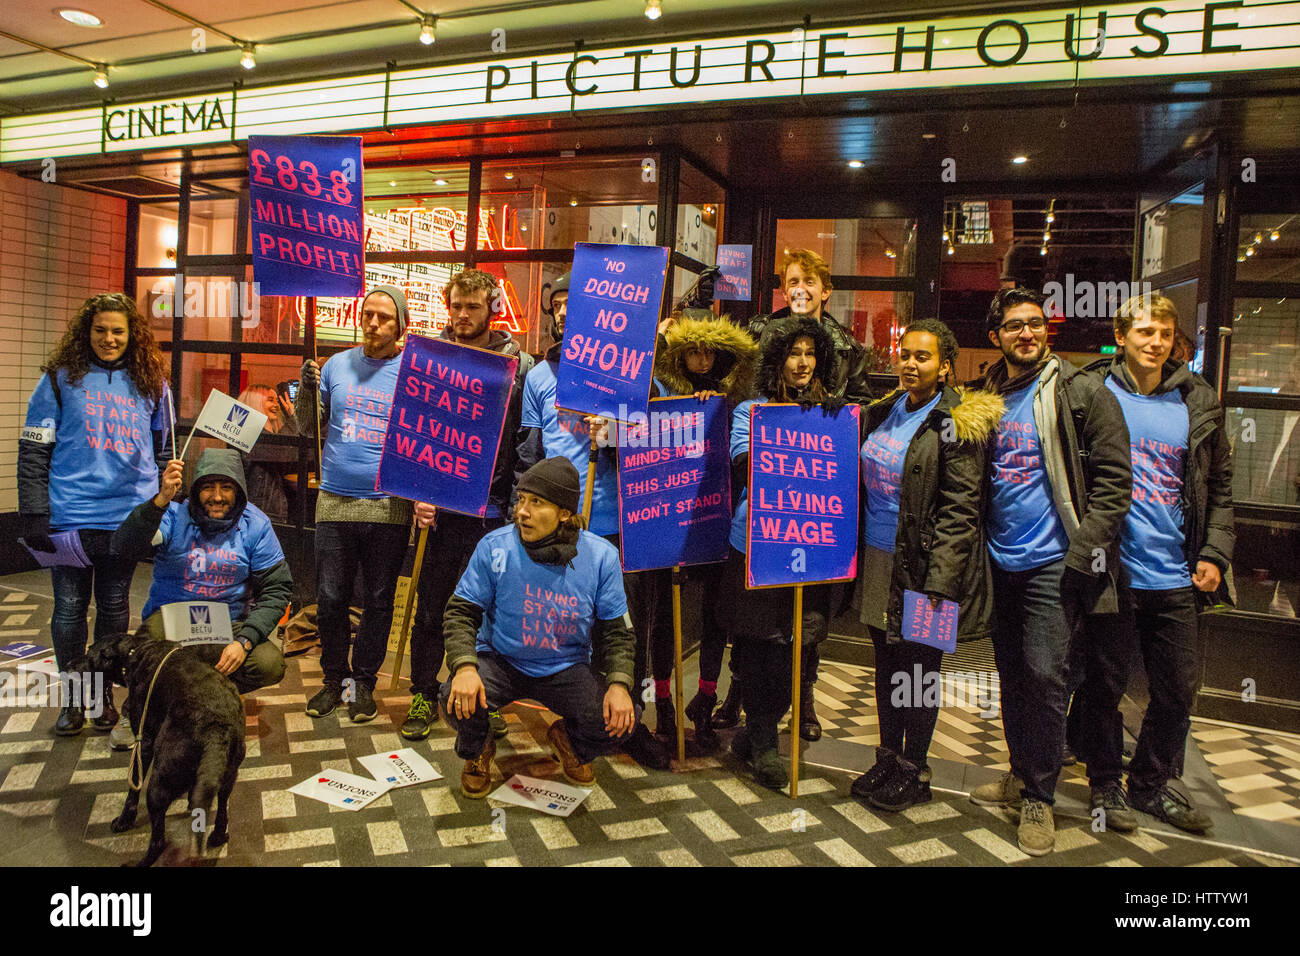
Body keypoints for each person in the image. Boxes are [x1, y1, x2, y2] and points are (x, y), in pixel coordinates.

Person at [966, 287, 1131, 856]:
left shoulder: (1081, 391)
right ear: (997, 337)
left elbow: (1114, 484)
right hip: (997, 562)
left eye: (1035, 324)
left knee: (1044, 676)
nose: (1027, 334)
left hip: (1053, 566)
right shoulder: (983, 395)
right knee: (1013, 676)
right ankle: (1021, 772)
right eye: (1014, 327)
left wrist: (1084, 553)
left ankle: (1040, 796)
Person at [1074, 293, 1233, 833]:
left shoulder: (1197, 401)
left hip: (1176, 573)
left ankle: (1150, 785)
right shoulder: (1092, 391)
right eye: (1145, 332)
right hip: (1113, 570)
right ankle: (1103, 786)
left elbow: (1219, 488)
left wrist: (1215, 552)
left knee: (1178, 687)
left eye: (1164, 334)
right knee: (1104, 684)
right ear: (1123, 336)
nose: (1155, 343)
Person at [516, 273, 669, 770]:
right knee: (568, 628)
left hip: (621, 524)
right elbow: (529, 454)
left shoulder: (636, 376)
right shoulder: (540, 377)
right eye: (558, 305)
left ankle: (631, 718)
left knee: (624, 631)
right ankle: (582, 720)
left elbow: (668, 441)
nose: (565, 312)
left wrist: (623, 433)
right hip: (564, 529)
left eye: (575, 304)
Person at [851, 319, 1003, 811]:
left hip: (927, 572)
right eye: (905, 354)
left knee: (920, 673)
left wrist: (940, 582)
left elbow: (963, 510)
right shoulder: (887, 410)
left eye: (922, 357)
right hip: (878, 560)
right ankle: (888, 758)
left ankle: (915, 771)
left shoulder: (956, 421)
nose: (910, 364)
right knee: (886, 665)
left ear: (944, 367)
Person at [18, 292, 173, 736]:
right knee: (68, 609)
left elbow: (164, 450)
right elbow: (33, 450)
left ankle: (100, 696)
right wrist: (33, 512)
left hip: (129, 519)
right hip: (70, 516)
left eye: (118, 331)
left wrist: (164, 505)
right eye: (100, 330)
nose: (109, 339)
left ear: (132, 336)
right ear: (86, 332)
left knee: (112, 608)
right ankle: (73, 700)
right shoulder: (58, 379)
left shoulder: (153, 383)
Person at [736, 249, 873, 741]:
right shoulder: (757, 332)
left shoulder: (847, 347)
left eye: (809, 282)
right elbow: (739, 390)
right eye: (792, 280)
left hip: (814, 495)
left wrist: (827, 421)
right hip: (766, 504)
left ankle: (805, 698)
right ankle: (743, 698)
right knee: (757, 611)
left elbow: (857, 411)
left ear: (824, 290)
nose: (800, 288)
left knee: (809, 611)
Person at [439, 458, 636, 797]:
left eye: (536, 502)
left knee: (618, 722)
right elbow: (460, 611)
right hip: (501, 660)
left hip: (565, 667)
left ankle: (569, 741)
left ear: (564, 513)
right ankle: (478, 747)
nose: (522, 512)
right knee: (454, 697)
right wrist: (465, 667)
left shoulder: (601, 557)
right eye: (521, 500)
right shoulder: (495, 547)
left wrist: (619, 684)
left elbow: (618, 632)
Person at [400, 269, 535, 741]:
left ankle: (483, 696)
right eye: (455, 305)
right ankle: (422, 690)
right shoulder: (429, 358)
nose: (461, 315)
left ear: (491, 308)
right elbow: (413, 429)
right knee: (430, 606)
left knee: (485, 610)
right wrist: (416, 494)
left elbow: (524, 440)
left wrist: (518, 505)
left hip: (492, 508)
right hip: (437, 508)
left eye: (472, 307)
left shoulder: (520, 366)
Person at [723, 315, 842, 789]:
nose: (803, 362)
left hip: (808, 546)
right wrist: (783, 437)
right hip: (754, 543)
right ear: (777, 358)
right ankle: (765, 739)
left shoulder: (831, 413)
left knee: (796, 644)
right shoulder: (749, 410)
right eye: (795, 353)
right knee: (757, 645)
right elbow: (742, 462)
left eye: (811, 353)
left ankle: (757, 734)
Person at [111, 448, 291, 746]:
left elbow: (276, 589)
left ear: (240, 490)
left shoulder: (256, 525)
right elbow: (125, 546)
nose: (217, 496)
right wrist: (159, 501)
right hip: (169, 620)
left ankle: (205, 698)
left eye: (226, 487)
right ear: (195, 490)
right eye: (208, 486)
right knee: (146, 656)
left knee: (268, 663)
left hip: (225, 624)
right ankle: (137, 708)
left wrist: (244, 641)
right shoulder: (172, 514)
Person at [297, 285, 413, 724]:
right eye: (368, 314)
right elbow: (309, 427)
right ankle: (333, 681)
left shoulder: (411, 371)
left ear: (401, 325)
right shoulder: (334, 366)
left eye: (385, 317)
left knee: (380, 599)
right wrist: (305, 392)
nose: (374, 323)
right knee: (329, 597)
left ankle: (363, 683)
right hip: (335, 500)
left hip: (388, 505)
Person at [643, 308, 757, 749]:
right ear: (680, 357)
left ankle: (705, 701)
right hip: (666, 517)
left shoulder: (739, 405)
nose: (703, 362)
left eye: (710, 353)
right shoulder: (661, 397)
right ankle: (665, 704)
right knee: (663, 619)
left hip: (718, 519)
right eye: (692, 353)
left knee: (716, 618)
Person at [237, 384, 297, 523]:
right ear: (255, 403)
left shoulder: (267, 434)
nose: (276, 405)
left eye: (276, 400)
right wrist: (294, 419)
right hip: (259, 513)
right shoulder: (249, 433)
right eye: (270, 400)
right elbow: (282, 451)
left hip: (267, 511)